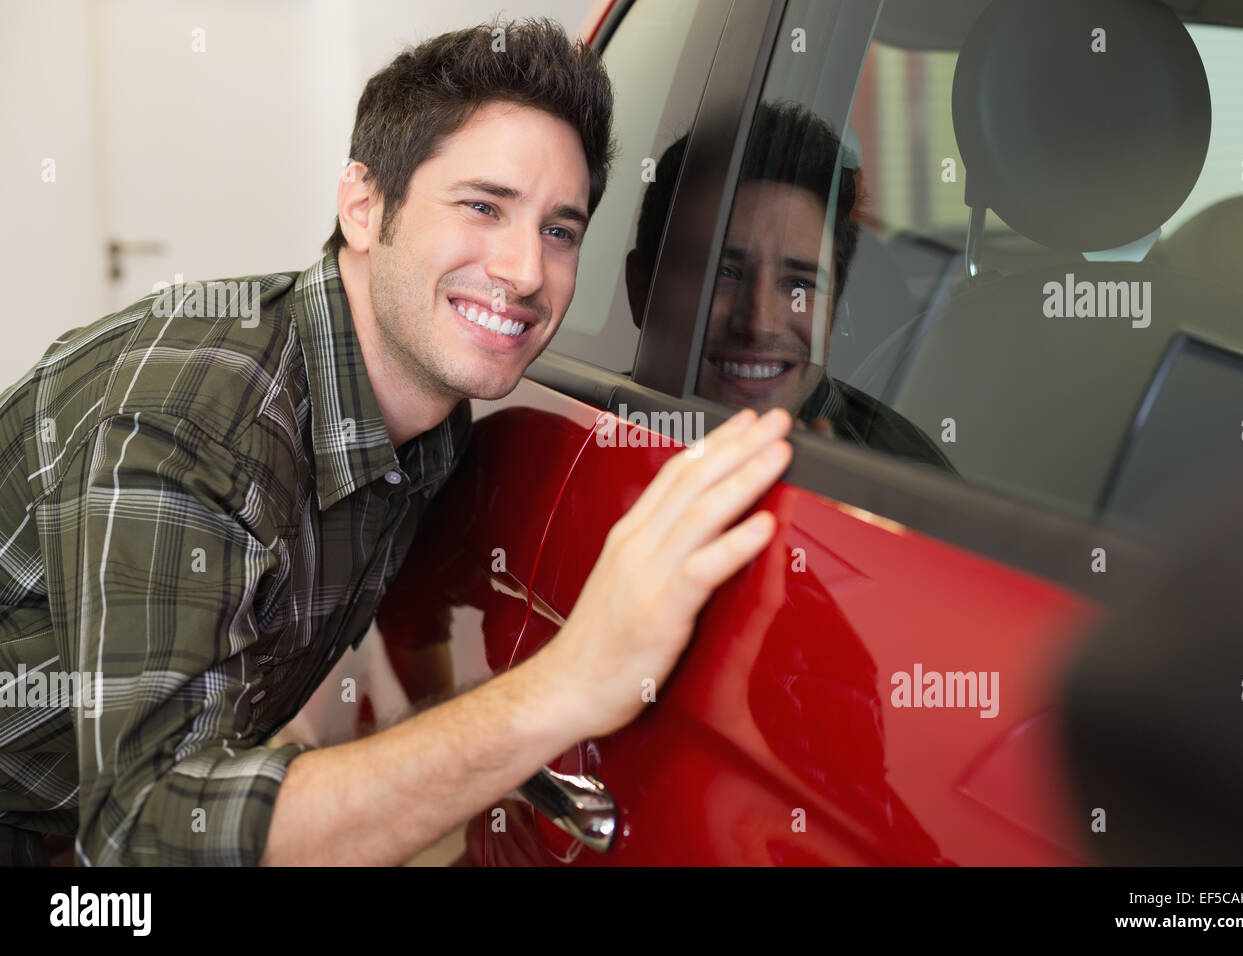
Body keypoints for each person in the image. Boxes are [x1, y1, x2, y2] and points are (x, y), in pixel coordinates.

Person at [0, 18, 792, 867]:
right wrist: (566, 687)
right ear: (364, 206)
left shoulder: (426, 414)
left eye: (560, 230)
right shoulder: (200, 417)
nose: (525, 273)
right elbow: (146, 833)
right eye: (483, 206)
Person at [626, 103, 953, 472]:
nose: (758, 324)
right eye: (723, 273)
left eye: (799, 284)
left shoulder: (908, 482)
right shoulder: (594, 437)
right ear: (641, 288)